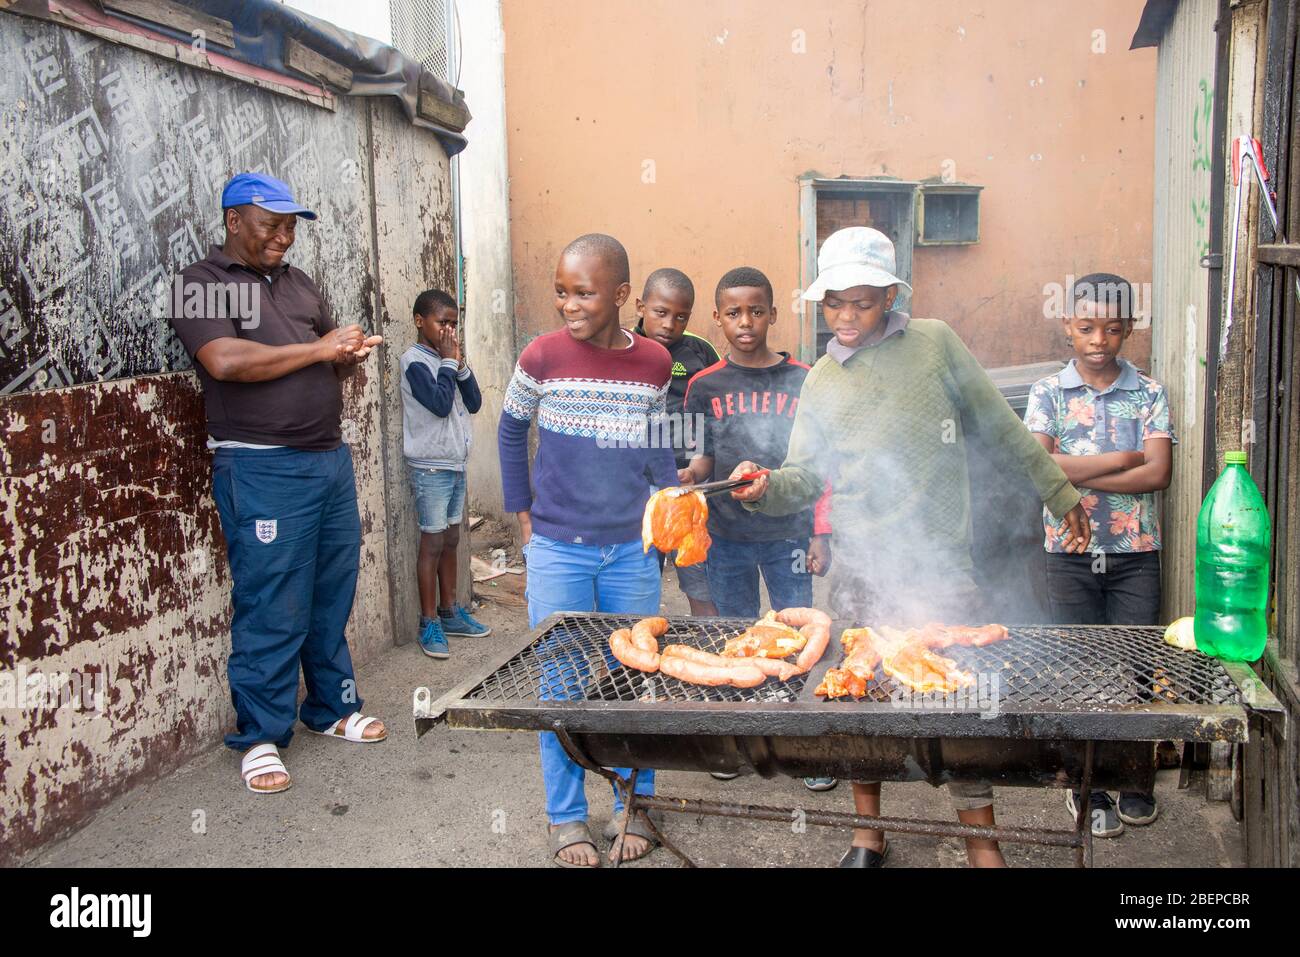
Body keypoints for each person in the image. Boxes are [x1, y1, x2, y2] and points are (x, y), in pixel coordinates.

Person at [730, 226, 1092, 867]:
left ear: (890, 297)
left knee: (954, 701)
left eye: (862, 301)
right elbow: (805, 477)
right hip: (863, 568)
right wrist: (762, 489)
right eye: (834, 302)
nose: (846, 316)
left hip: (942, 561)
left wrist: (1060, 494)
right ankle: (867, 835)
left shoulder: (935, 344)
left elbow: (1002, 426)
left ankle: (983, 844)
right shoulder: (820, 381)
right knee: (858, 698)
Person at [168, 172, 388, 796]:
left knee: (329, 589)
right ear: (234, 220)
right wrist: (321, 350)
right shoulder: (200, 285)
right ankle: (260, 734)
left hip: (326, 459)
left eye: (292, 226)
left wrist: (344, 359)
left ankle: (331, 707)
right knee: (272, 600)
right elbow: (225, 362)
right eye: (272, 225)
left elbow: (323, 360)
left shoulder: (300, 286)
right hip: (262, 467)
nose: (285, 237)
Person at [498, 233, 678, 866]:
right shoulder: (542, 355)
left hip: (631, 549)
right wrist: (523, 521)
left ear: (622, 295)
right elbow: (511, 429)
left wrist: (672, 504)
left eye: (583, 292)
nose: (568, 304)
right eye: (561, 292)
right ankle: (567, 817)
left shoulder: (655, 362)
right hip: (558, 549)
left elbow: (659, 446)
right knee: (563, 680)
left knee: (637, 676)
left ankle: (637, 805)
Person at [1024, 272, 1174, 837]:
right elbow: (1037, 467)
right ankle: (1089, 786)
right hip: (1068, 550)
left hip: (1137, 551)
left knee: (1135, 665)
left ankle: (1133, 777)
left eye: (1112, 329)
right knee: (1079, 666)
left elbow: (1157, 474)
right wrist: (1122, 459)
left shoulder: (1150, 392)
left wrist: (1081, 472)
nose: (1098, 340)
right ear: (1068, 324)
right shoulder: (1047, 393)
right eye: (1086, 327)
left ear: (1128, 329)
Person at [681, 266, 834, 791]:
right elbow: (701, 462)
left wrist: (821, 533)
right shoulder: (704, 385)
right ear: (718, 318)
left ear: (772, 313)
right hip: (726, 538)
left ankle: (801, 743)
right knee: (735, 635)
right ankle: (739, 739)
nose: (745, 322)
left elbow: (822, 466)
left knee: (798, 639)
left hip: (789, 533)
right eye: (733, 313)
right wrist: (684, 478)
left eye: (755, 310)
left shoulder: (805, 378)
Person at [401, 288, 490, 660]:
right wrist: (449, 363)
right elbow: (438, 404)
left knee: (453, 538)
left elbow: (474, 402)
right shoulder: (415, 360)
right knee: (432, 543)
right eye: (442, 323)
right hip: (430, 466)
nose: (449, 331)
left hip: (455, 464)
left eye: (454, 323)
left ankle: (450, 611)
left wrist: (459, 363)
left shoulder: (449, 359)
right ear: (421, 322)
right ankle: (427, 621)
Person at [634, 267, 721, 616]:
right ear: (641, 306)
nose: (670, 324)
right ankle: (640, 654)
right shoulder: (624, 348)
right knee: (640, 577)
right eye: (661, 313)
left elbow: (715, 414)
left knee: (697, 574)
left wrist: (702, 464)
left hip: (687, 483)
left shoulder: (700, 352)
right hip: (638, 487)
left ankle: (713, 648)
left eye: (680, 316)